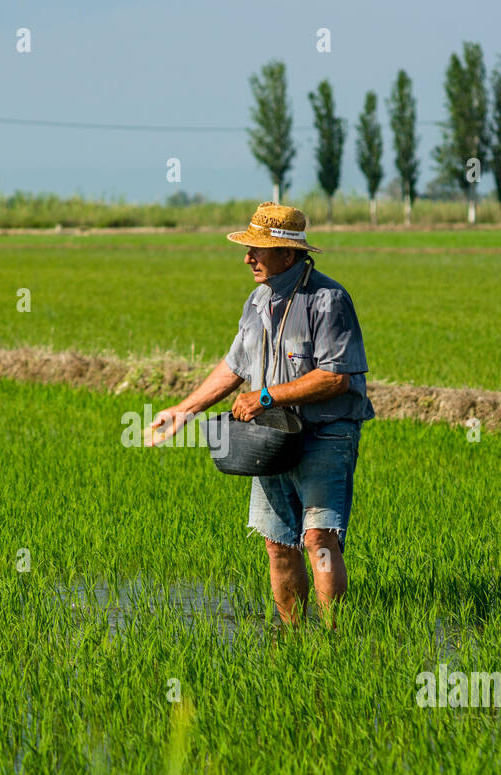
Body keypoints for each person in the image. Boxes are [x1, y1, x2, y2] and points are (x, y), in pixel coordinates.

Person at [148, 201, 375, 626]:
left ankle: (333, 639)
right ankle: (292, 635)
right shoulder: (257, 301)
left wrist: (266, 397)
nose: (248, 257)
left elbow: (335, 378)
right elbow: (235, 365)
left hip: (326, 433)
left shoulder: (328, 300)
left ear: (288, 255)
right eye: (248, 248)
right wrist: (184, 410)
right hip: (272, 436)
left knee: (318, 538)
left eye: (258, 249)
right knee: (277, 542)